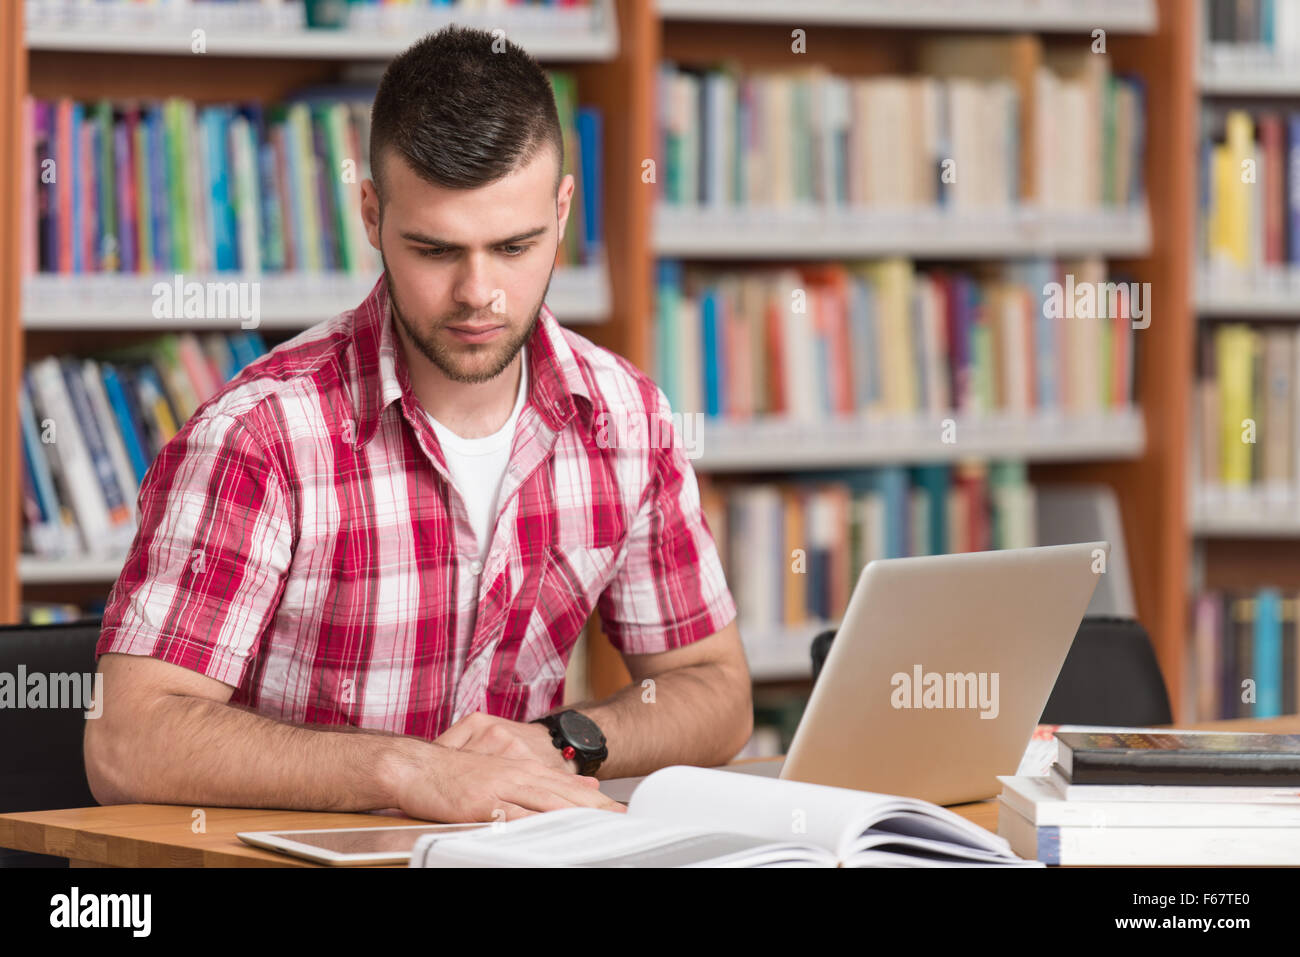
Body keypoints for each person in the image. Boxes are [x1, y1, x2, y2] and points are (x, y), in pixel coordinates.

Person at [84, 25, 751, 824]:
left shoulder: (626, 419)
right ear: (371, 212)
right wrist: (406, 769)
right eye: (436, 250)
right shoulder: (260, 437)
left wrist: (561, 742)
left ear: (564, 209)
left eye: (514, 246)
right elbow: (126, 740)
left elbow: (717, 692)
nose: (479, 293)